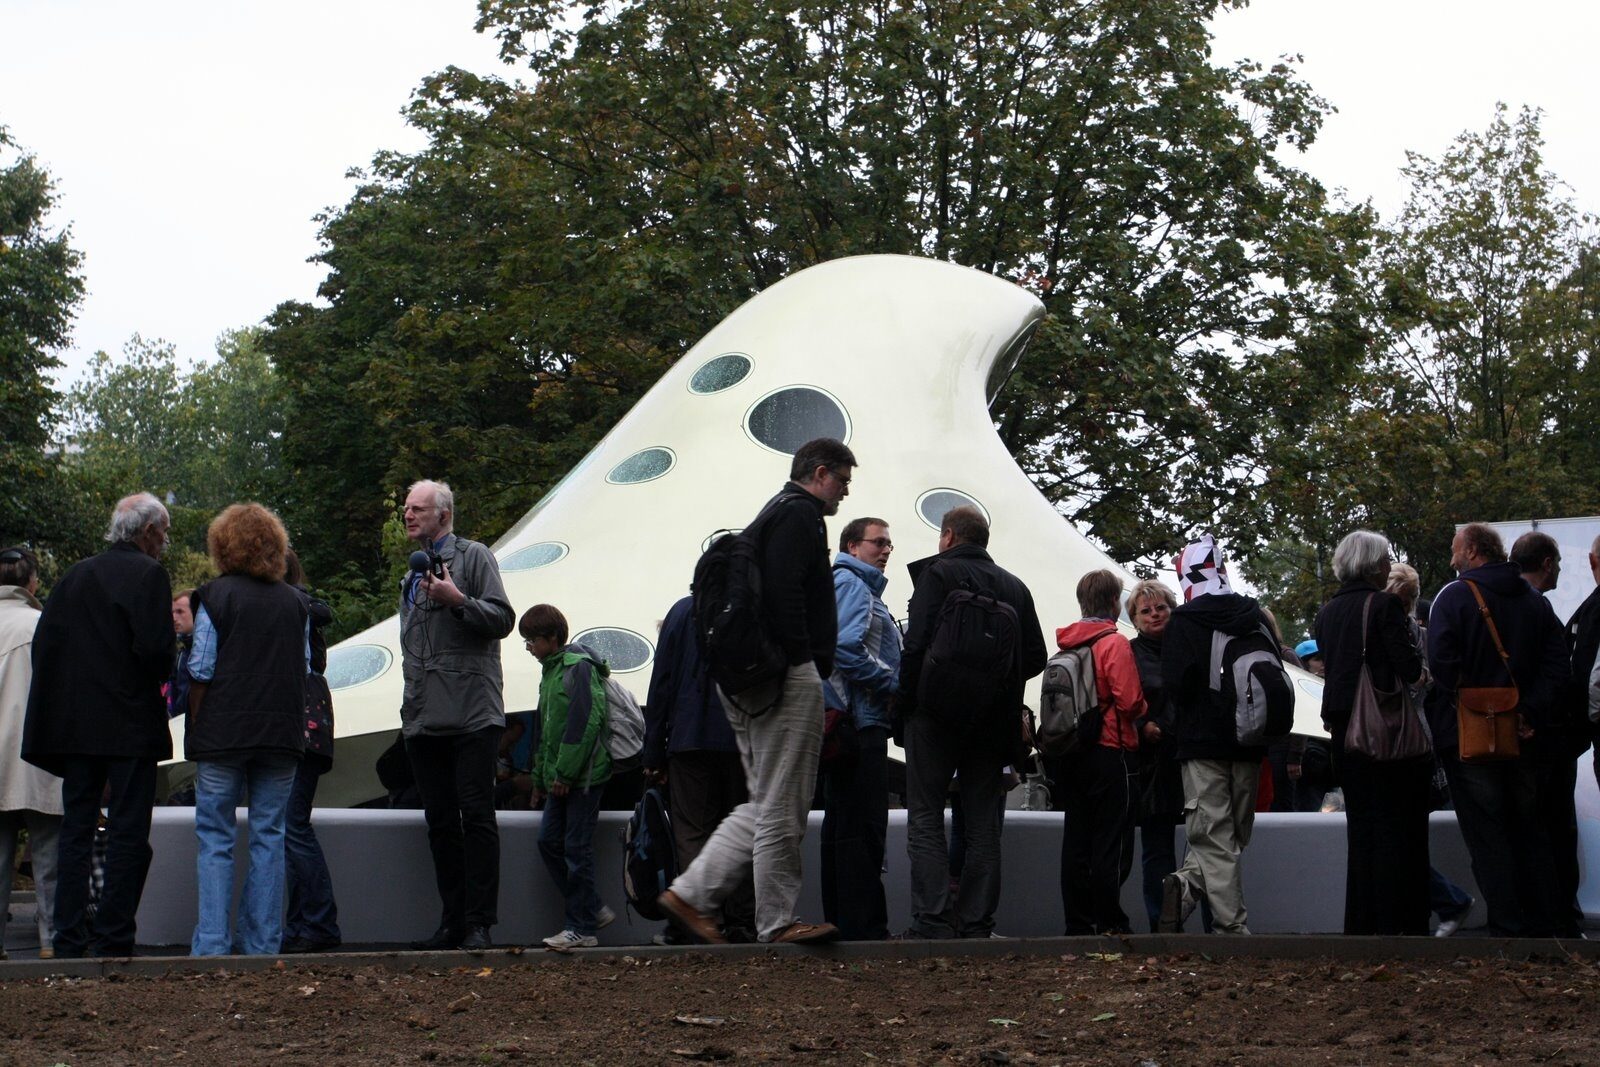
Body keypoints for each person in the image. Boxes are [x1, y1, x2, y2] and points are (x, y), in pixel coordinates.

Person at [658, 438, 855, 946]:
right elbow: (787, 592)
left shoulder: (772, 513)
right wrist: (803, 660)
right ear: (819, 473)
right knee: (785, 804)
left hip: (747, 678)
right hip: (784, 676)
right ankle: (776, 921)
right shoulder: (800, 515)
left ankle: (691, 894)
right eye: (842, 480)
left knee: (765, 800)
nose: (845, 492)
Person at [24, 493, 176, 958]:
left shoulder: (75, 576)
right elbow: (157, 655)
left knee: (77, 830)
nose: (165, 543)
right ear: (148, 531)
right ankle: (113, 935)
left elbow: (45, 648)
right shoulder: (149, 575)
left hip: (75, 728)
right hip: (129, 725)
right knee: (128, 831)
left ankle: (68, 936)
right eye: (164, 534)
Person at [896, 505, 1047, 939]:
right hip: (991, 721)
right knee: (982, 827)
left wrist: (905, 703)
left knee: (926, 815)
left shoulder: (938, 574)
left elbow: (915, 645)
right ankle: (976, 923)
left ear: (948, 536)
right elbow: (1036, 656)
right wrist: (994, 680)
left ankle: (932, 922)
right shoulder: (1015, 586)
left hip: (933, 715)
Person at [1426, 522, 1568, 937]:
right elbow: (1557, 666)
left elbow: (1442, 665)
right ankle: (1544, 922)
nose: (1451, 557)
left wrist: (1472, 703)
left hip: (1469, 734)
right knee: (1530, 828)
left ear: (1473, 551)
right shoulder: (1534, 601)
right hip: (1524, 734)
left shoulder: (1453, 597)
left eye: (1455, 549)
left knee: (1487, 833)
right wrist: (1527, 711)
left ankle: (1507, 927)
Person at [185, 503, 309, 956]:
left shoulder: (214, 597)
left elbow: (201, 668)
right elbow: (305, 669)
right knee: (269, 837)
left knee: (215, 838)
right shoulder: (297, 603)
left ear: (222, 546)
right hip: (281, 735)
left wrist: (198, 724)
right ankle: (262, 946)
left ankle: (212, 946)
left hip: (222, 735)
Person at [399, 479, 517, 952]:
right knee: (441, 823)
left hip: (472, 713)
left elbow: (504, 620)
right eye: (406, 508)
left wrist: (460, 601)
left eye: (417, 508)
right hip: (424, 716)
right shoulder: (412, 574)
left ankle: (479, 923)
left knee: (476, 816)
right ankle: (451, 923)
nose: (408, 514)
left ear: (443, 514)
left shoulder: (475, 557)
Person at [1158, 533, 1278, 935]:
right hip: (1250, 740)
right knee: (1231, 836)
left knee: (1213, 837)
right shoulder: (1255, 615)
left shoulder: (1184, 621)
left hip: (1201, 745)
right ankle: (1192, 891)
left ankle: (1226, 924)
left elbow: (1175, 684)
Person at [1312, 530, 1429, 935]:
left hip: (1345, 733)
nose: (1388, 565)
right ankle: (1400, 921)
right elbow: (1408, 668)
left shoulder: (1326, 613)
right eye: (1385, 559)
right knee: (1399, 828)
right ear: (1374, 565)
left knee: (1362, 830)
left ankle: (1362, 924)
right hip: (1385, 732)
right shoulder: (1383, 605)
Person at [642, 594, 755, 943]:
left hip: (690, 737)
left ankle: (698, 918)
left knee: (692, 830)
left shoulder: (681, 611)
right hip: (741, 738)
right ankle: (741, 922)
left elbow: (662, 683)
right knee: (742, 825)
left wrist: (653, 753)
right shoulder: (750, 608)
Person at [819, 516, 901, 941]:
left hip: (850, 722)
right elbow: (845, 648)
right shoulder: (853, 585)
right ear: (852, 546)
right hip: (859, 722)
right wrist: (894, 684)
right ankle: (865, 928)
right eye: (878, 542)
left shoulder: (850, 585)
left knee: (844, 825)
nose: (886, 550)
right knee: (862, 826)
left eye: (888, 544)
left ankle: (846, 921)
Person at [1055, 569, 1146, 935]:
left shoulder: (1067, 644)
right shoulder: (1114, 643)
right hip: (1113, 750)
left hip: (1073, 752)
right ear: (1113, 602)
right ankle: (1110, 920)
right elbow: (1130, 702)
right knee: (1112, 840)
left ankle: (1078, 923)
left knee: (1076, 841)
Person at [521, 604, 616, 950]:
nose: (529, 647)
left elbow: (583, 723)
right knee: (549, 842)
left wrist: (564, 773)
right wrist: (539, 779)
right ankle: (590, 909)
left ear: (552, 638)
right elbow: (547, 731)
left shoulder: (579, 668)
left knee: (576, 848)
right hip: (561, 777)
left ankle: (581, 927)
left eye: (532, 640)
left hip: (584, 777)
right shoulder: (550, 672)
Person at [1389, 562, 1475, 936]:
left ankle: (1447, 900)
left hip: (1400, 742)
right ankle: (1441, 903)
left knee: (1397, 838)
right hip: (1424, 742)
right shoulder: (1422, 637)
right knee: (1406, 835)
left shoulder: (1399, 636)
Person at [1508, 531, 1584, 938]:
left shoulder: (1499, 606)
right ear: (1548, 564)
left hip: (1509, 733)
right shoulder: (1539, 609)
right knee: (1556, 828)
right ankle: (1559, 916)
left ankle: (1534, 913)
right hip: (1547, 736)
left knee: (1527, 828)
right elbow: (1560, 672)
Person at [280, 549, 341, 954]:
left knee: (293, 827)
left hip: (299, 728)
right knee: (291, 828)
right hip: (311, 728)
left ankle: (318, 922)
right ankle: (303, 924)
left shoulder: (296, 607)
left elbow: (321, 611)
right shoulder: (305, 609)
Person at [0, 547, 60, 960]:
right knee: (48, 855)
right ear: (32, 583)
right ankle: (50, 940)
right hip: (41, 755)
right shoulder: (44, 625)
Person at [1126, 579, 1186, 932]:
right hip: (1154, 764)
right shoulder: (1130, 653)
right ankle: (1161, 925)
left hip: (1191, 756)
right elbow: (1122, 698)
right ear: (1135, 619)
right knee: (1157, 850)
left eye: (1161, 607)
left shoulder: (1187, 646)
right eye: (1145, 611)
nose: (1154, 615)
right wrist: (1142, 724)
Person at [167, 590, 195, 719]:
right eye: (172, 613)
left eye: (180, 612)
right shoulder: (181, 654)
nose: (173, 618)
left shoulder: (211, 652)